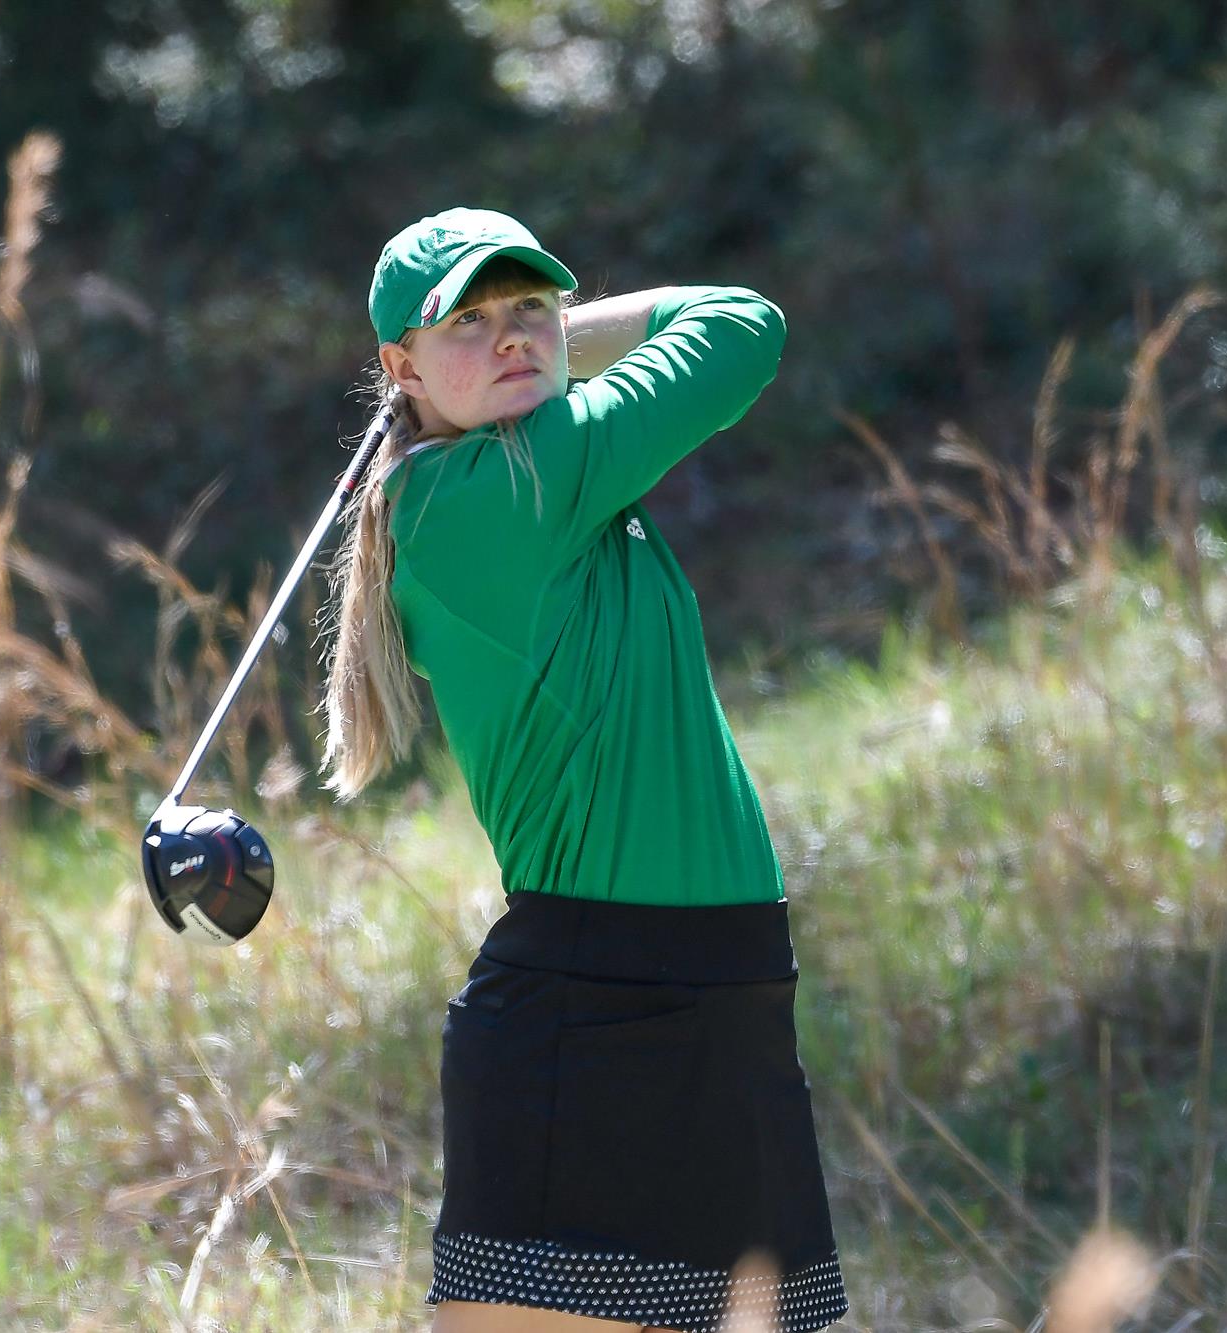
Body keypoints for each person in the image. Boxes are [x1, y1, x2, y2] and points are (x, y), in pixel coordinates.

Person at [317, 207, 848, 1333]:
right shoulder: (499, 492)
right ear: (398, 367)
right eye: (468, 322)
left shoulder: (537, 474)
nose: (511, 336)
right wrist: (551, 352)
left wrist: (496, 357)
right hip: (591, 1007)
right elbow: (738, 325)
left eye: (530, 308)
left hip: (717, 991)